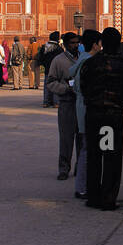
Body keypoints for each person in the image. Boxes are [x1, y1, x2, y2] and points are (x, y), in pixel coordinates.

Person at [79, 27, 123, 211]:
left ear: (102, 43)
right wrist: (120, 102)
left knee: (94, 155)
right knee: (111, 155)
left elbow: (83, 87)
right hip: (112, 116)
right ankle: (108, 198)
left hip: (94, 114)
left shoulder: (91, 63)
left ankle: (93, 196)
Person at [70, 28, 102, 201]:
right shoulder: (89, 61)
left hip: (82, 108)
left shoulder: (83, 59)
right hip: (88, 110)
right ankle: (82, 187)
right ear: (95, 44)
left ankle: (84, 185)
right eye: (100, 42)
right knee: (88, 150)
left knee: (87, 148)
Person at [47, 33, 82, 181]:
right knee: (66, 139)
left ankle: (80, 168)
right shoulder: (58, 60)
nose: (75, 45)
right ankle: (63, 168)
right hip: (67, 103)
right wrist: (65, 88)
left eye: (77, 43)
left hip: (81, 103)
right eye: (72, 43)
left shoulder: (83, 58)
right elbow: (50, 82)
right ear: (66, 44)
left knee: (82, 138)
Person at [39, 32, 61, 106]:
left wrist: (45, 64)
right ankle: (56, 102)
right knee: (55, 86)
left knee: (47, 86)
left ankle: (46, 101)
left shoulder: (44, 47)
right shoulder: (58, 48)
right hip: (56, 70)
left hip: (47, 69)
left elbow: (41, 59)